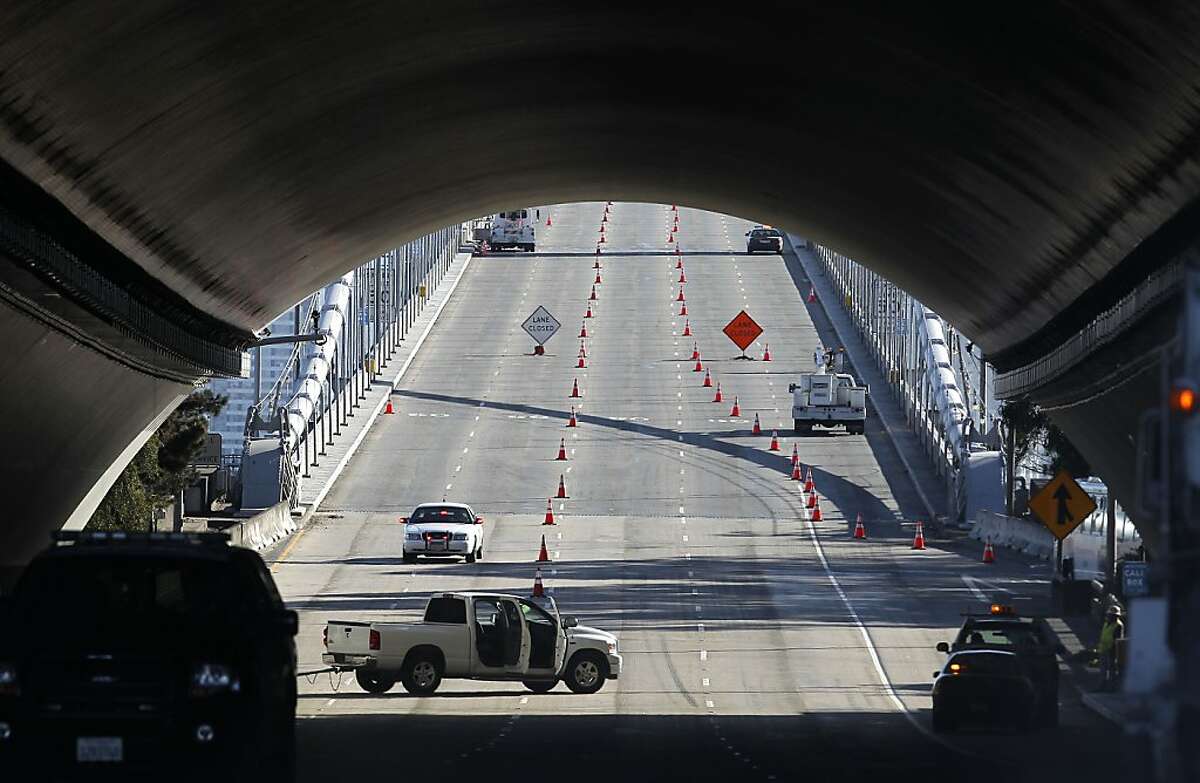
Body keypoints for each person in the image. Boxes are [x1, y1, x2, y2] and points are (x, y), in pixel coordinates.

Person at [1098, 607, 1125, 690]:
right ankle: (1103, 686)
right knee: (1103, 669)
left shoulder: (1118, 625)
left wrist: (1113, 649)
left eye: (1114, 615)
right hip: (1103, 648)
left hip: (1111, 649)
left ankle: (1111, 687)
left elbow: (1117, 639)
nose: (1112, 617)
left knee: (1111, 669)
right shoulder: (1106, 623)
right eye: (1111, 615)